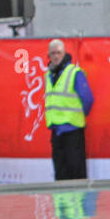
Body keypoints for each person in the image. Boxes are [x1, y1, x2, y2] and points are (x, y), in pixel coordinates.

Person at [45, 39, 94, 181]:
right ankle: (62, 204)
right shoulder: (48, 75)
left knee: (76, 174)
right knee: (60, 175)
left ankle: (79, 203)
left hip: (73, 131)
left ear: (64, 53)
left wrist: (77, 116)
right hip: (56, 132)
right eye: (53, 53)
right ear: (49, 55)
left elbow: (88, 99)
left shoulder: (74, 73)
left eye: (58, 53)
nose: (55, 56)